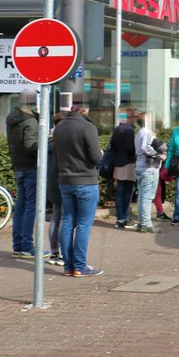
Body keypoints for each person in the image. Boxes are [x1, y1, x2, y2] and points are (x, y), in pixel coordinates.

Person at [55, 99, 104, 277]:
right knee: (84, 224)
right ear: (85, 109)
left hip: (65, 180)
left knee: (68, 221)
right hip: (86, 181)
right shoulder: (87, 127)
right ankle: (80, 266)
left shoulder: (59, 127)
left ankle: (68, 267)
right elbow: (96, 156)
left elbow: (56, 155)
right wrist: (102, 155)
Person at [5, 89, 40, 259]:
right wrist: (47, 142)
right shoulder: (30, 121)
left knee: (20, 206)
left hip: (18, 166)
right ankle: (27, 247)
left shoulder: (12, 117)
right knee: (30, 207)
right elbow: (30, 147)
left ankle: (17, 247)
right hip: (31, 167)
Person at [133, 112, 166, 233]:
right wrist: (159, 155)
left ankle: (142, 223)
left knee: (142, 197)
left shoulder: (139, 133)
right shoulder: (146, 132)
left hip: (140, 168)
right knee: (147, 198)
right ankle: (146, 224)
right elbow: (145, 147)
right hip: (149, 169)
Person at [45, 110, 68, 266]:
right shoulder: (64, 142)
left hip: (51, 182)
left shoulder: (48, 141)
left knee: (55, 217)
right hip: (64, 182)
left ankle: (54, 253)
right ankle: (63, 255)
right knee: (66, 219)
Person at [109, 110, 137, 229]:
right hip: (128, 163)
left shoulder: (116, 130)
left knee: (120, 191)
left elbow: (113, 146)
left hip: (117, 163)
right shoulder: (129, 130)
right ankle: (123, 218)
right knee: (128, 190)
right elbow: (131, 148)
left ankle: (120, 218)